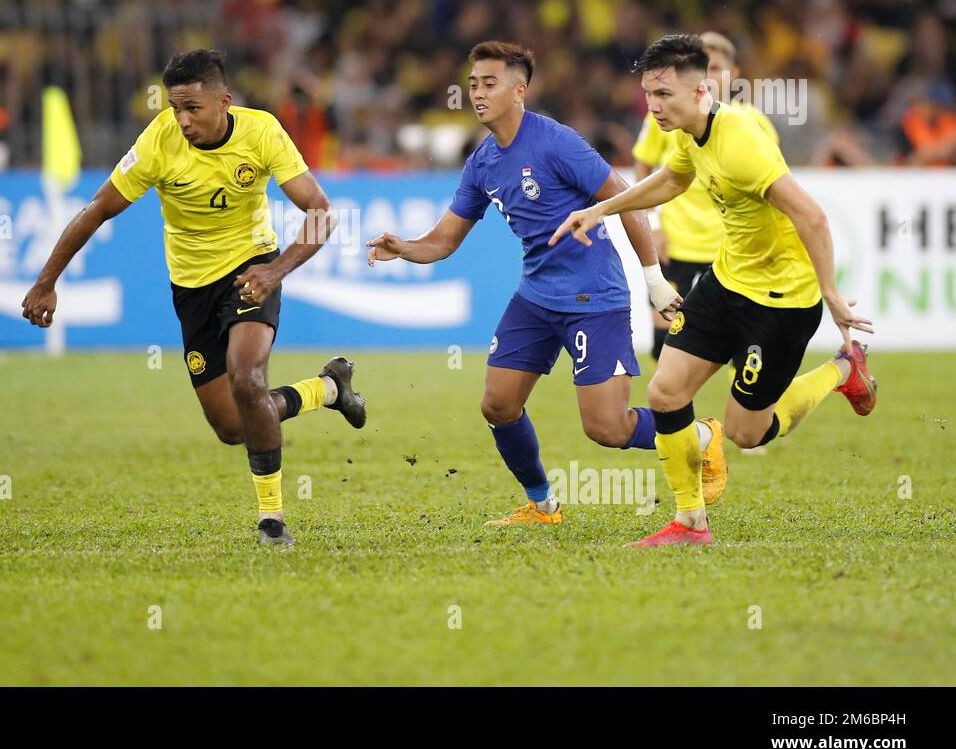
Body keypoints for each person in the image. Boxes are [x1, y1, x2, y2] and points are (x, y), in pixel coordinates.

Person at [366, 40, 723, 526]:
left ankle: (701, 437)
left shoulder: (557, 142)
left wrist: (654, 280)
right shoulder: (483, 161)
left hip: (594, 297)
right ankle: (542, 505)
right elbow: (445, 239)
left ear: (519, 91)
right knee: (498, 404)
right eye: (472, 84)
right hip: (535, 296)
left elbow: (627, 200)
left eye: (489, 83)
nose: (477, 93)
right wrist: (404, 247)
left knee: (607, 428)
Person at [21, 50, 366, 548]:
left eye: (193, 109)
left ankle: (273, 521)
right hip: (191, 289)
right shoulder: (159, 141)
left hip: (250, 272)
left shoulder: (262, 132)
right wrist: (46, 280)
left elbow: (320, 210)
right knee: (232, 426)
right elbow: (98, 209)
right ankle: (329, 389)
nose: (182, 120)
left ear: (224, 101)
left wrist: (274, 270)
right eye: (175, 107)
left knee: (248, 379)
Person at [551, 34, 877, 547]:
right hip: (726, 283)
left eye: (664, 95)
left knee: (747, 433)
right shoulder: (685, 131)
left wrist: (831, 293)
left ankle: (842, 369)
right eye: (648, 95)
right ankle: (690, 522)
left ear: (701, 90)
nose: (653, 107)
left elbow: (811, 214)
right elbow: (670, 181)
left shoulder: (742, 139)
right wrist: (600, 210)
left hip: (782, 302)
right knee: (665, 391)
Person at [631, 32, 778, 360]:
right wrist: (653, 224)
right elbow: (644, 165)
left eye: (717, 68)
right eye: (705, 68)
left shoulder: (752, 124)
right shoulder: (664, 112)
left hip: (731, 248)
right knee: (664, 342)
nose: (710, 77)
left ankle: (743, 411)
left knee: (742, 345)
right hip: (678, 244)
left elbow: (773, 190)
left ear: (734, 74)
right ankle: (672, 410)